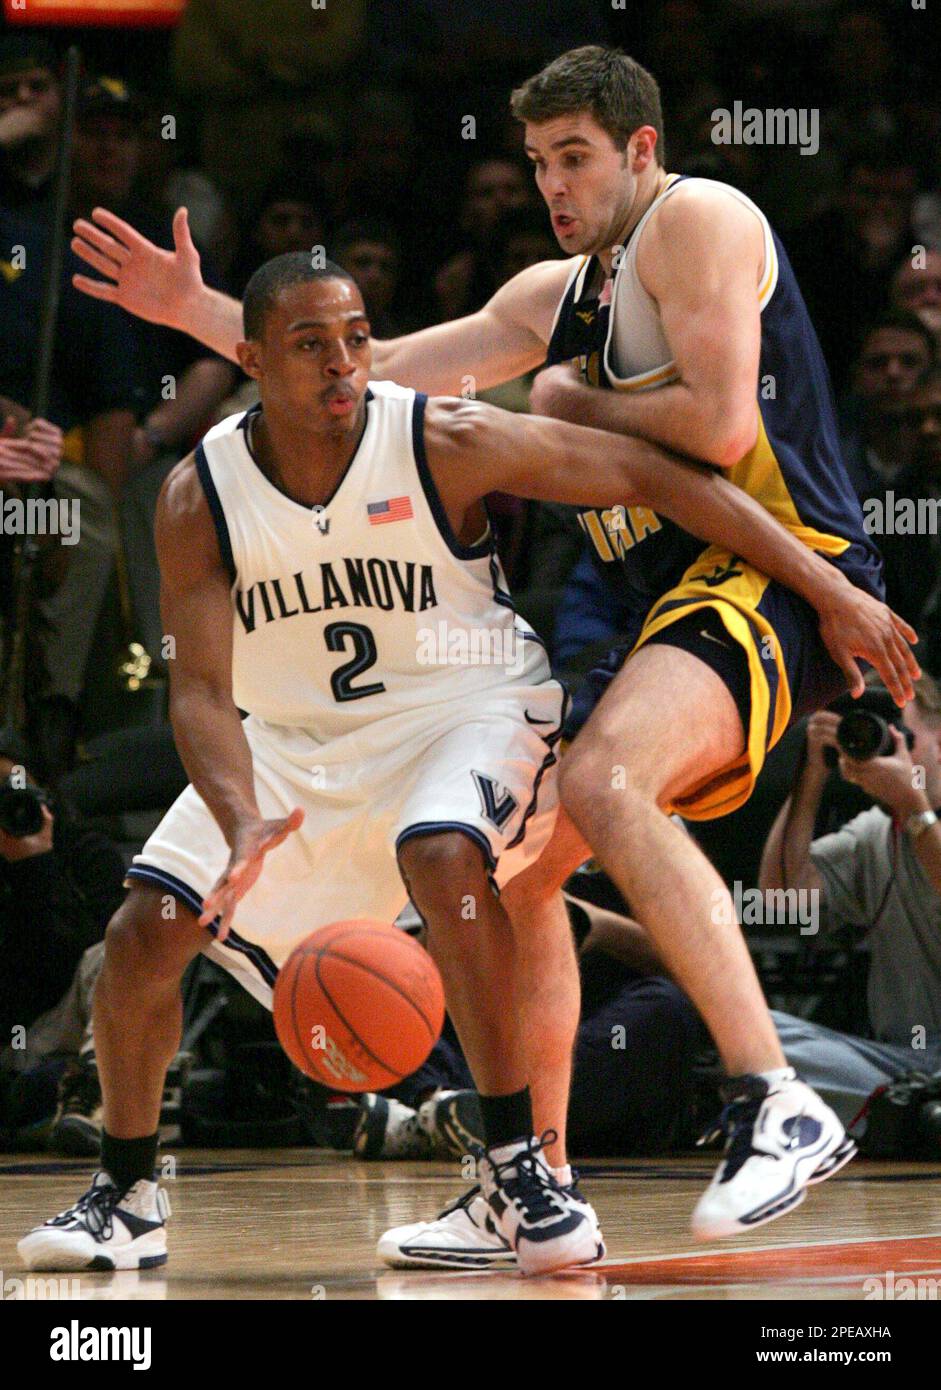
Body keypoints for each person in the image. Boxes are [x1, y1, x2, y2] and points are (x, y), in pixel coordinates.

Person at [63, 45, 920, 1263]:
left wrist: (562, 404)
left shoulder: (699, 215)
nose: (553, 185)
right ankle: (529, 1185)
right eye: (536, 162)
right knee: (523, 877)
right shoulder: (554, 294)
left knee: (599, 781)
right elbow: (376, 371)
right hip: (656, 593)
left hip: (771, 566)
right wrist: (199, 315)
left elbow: (722, 421)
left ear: (639, 149)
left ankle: (770, 1096)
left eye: (574, 157)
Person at [758, 677, 941, 1126]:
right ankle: (911, 1112)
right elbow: (781, 900)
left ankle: (898, 1116)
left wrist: (915, 808)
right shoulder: (875, 831)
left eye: (903, 734)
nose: (887, 745)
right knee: (750, 1030)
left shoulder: (908, 816)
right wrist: (811, 773)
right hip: (901, 1065)